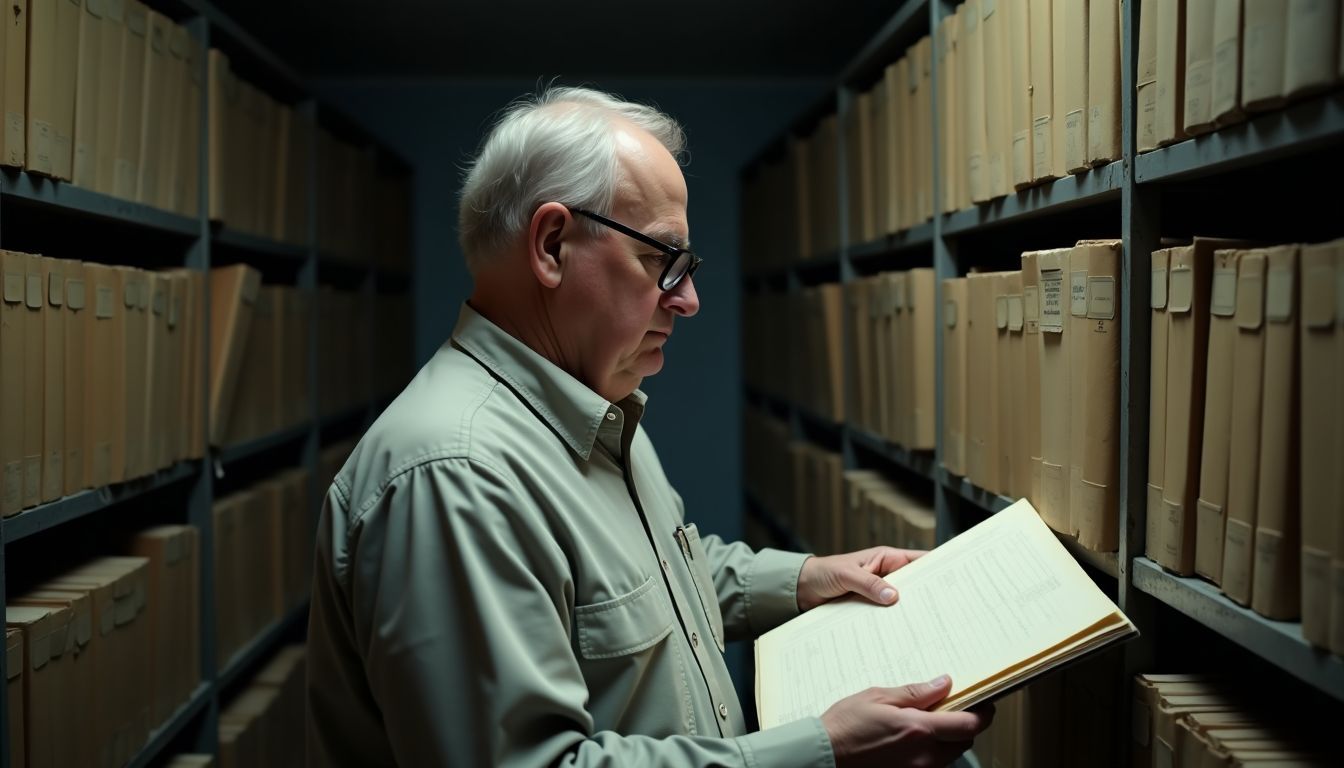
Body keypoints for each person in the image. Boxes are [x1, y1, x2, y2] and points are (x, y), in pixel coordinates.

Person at [305, 84, 993, 767]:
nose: (689, 299)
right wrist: (823, 751)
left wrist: (809, 578)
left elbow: (645, 589)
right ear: (551, 245)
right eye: (663, 259)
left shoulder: (591, 396)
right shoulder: (455, 478)